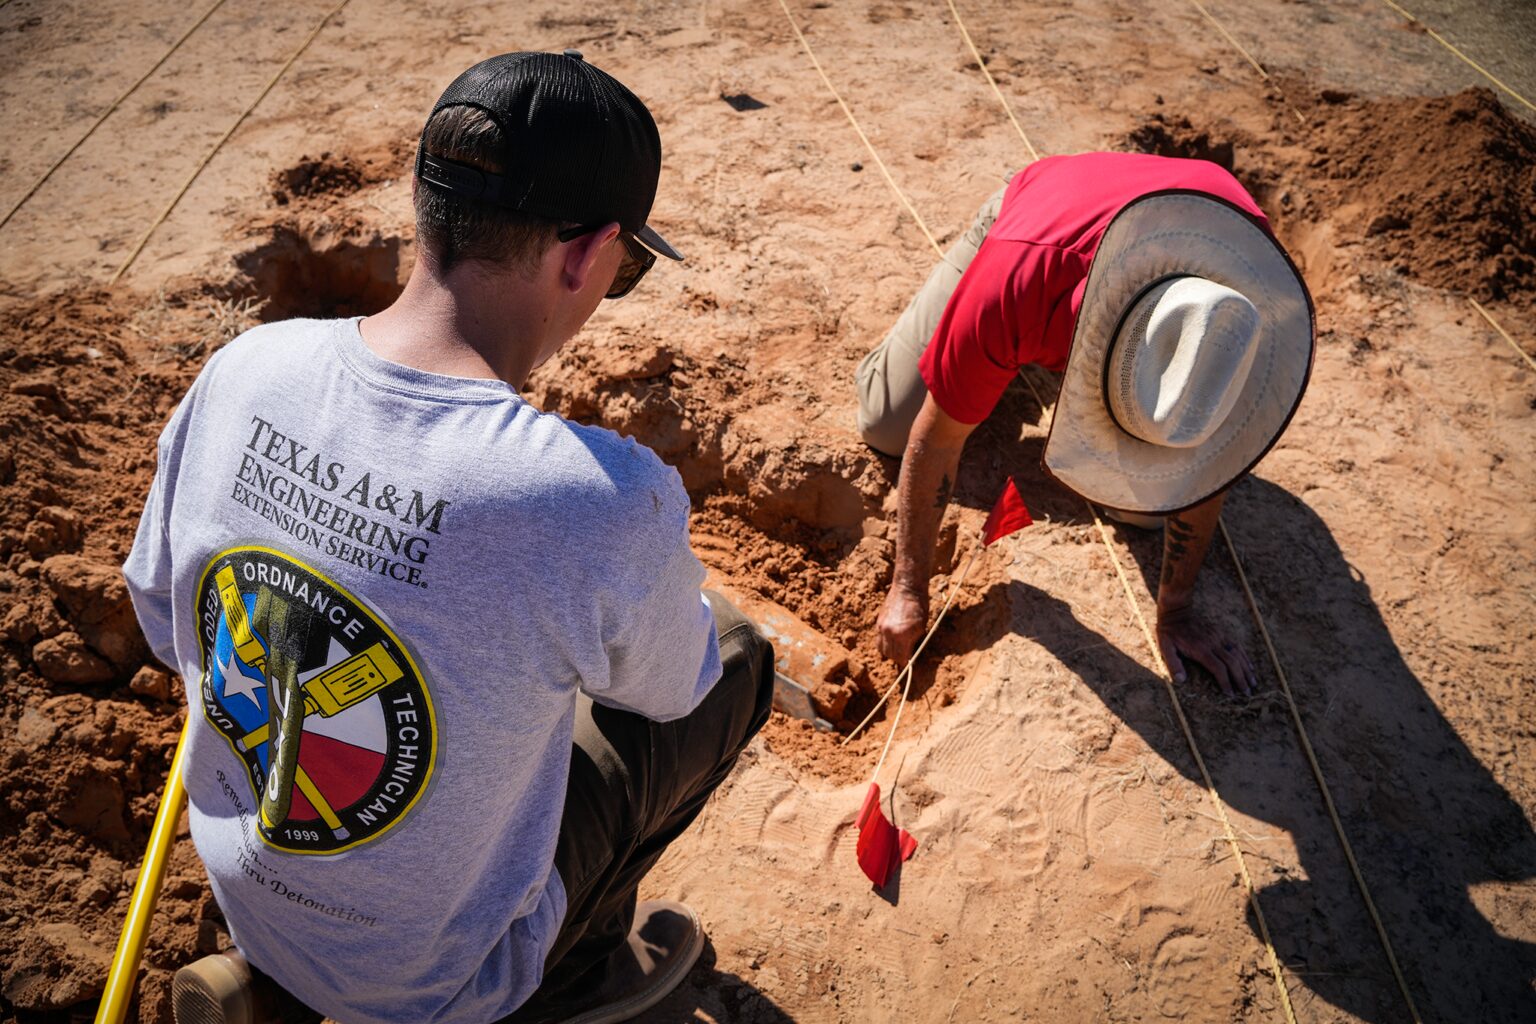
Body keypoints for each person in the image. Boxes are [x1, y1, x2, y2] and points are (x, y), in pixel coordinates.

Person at [123, 50, 773, 1024]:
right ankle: (572, 972)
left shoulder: (244, 370)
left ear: (424, 206)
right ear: (586, 256)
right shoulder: (594, 494)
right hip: (437, 980)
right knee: (738, 654)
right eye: (621, 269)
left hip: (255, 895)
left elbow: (159, 610)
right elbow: (675, 685)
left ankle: (279, 989)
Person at [856, 152, 1313, 695]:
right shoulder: (1015, 284)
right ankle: (1003, 366)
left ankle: (1029, 374)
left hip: (1185, 231)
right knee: (885, 423)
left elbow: (1204, 460)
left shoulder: (1232, 326)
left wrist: (1178, 609)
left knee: (1147, 510)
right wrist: (909, 586)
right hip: (1036, 222)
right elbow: (934, 441)